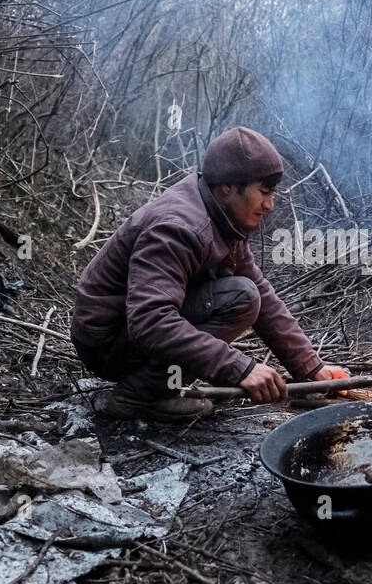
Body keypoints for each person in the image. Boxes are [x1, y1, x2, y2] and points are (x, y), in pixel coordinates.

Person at [72, 126, 349, 420]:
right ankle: (142, 395)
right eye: (264, 193)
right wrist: (239, 368)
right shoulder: (178, 227)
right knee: (241, 297)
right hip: (107, 343)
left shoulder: (221, 216)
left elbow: (264, 297)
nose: (270, 205)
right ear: (228, 186)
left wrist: (311, 369)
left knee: (247, 293)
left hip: (126, 331)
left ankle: (156, 384)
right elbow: (149, 320)